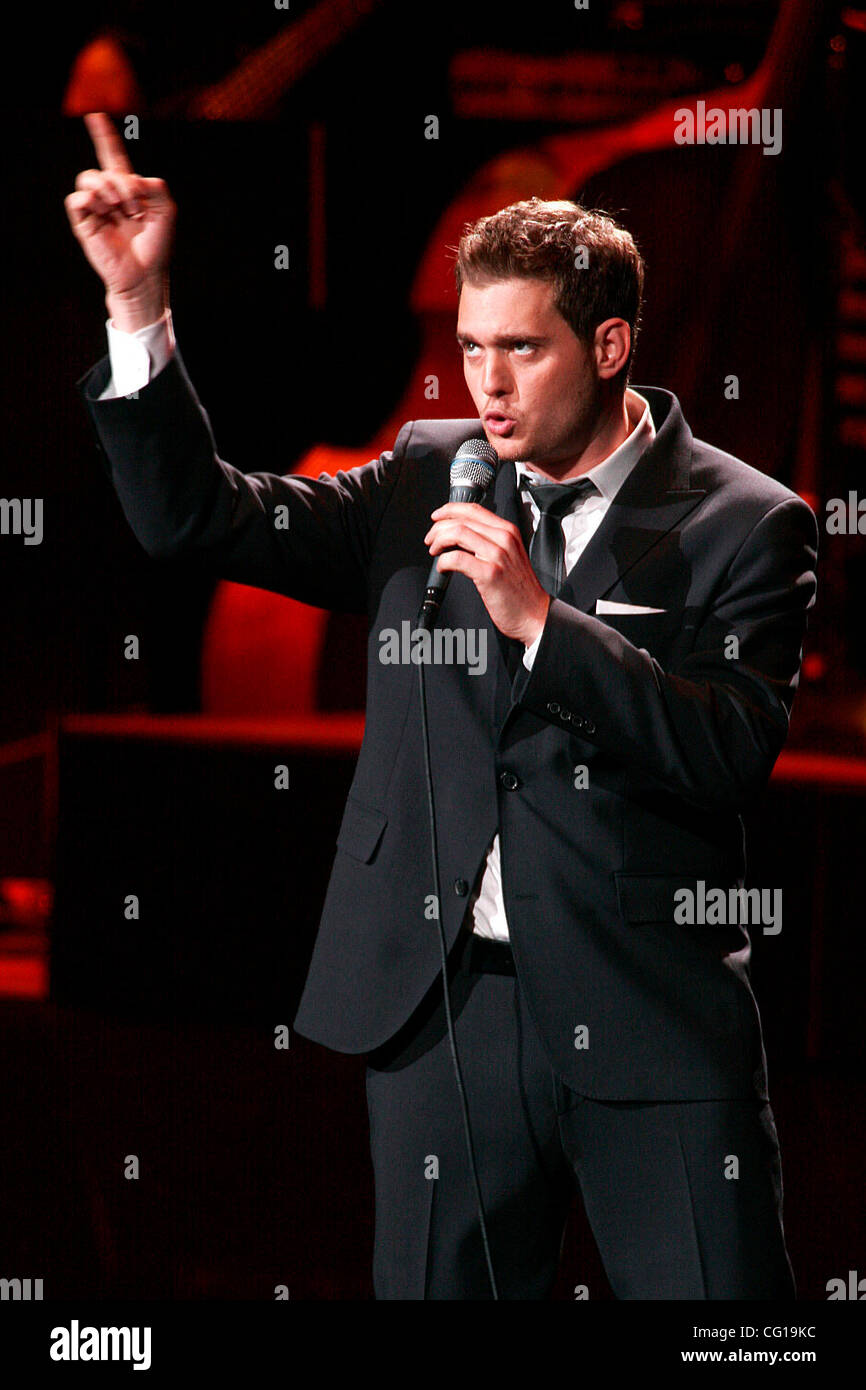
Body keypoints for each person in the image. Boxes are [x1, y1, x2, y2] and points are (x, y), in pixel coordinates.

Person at [66, 112, 818, 1300]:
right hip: (439, 1018)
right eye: (472, 349)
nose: (488, 385)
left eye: (521, 349)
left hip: (649, 1024)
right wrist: (138, 310)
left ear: (610, 343)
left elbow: (725, 750)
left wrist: (539, 625)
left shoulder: (747, 523)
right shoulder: (427, 470)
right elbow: (195, 518)